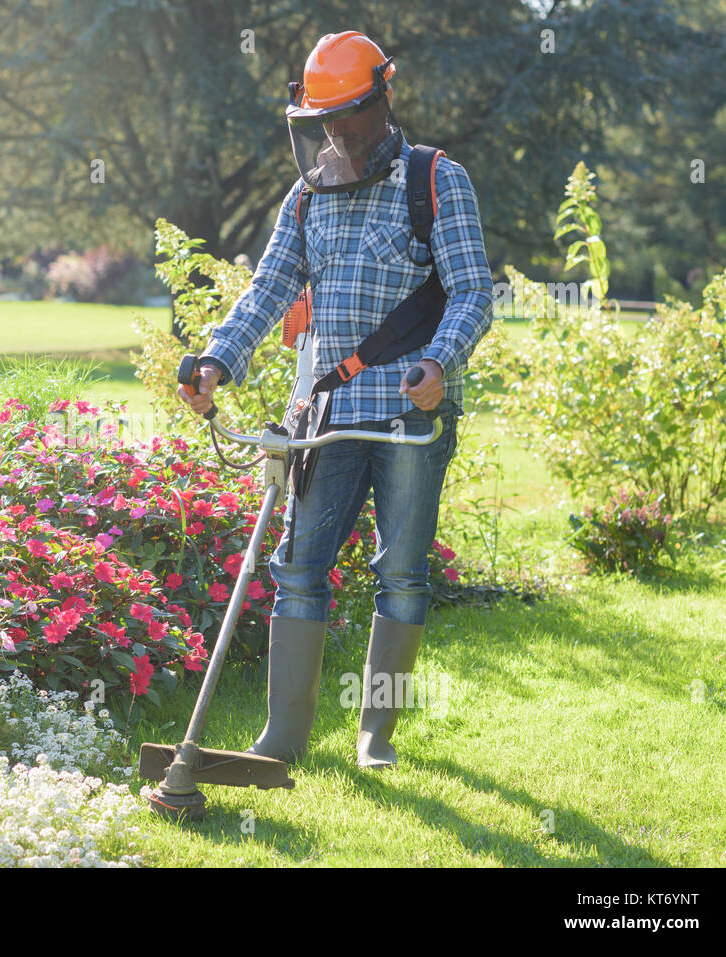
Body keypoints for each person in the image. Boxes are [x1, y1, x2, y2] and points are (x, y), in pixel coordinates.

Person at [182, 31, 493, 769]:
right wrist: (217, 360)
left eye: (349, 115)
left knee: (401, 572)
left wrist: (439, 364)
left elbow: (475, 291)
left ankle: (375, 733)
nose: (337, 133)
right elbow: (267, 292)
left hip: (411, 412)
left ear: (383, 100)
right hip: (332, 413)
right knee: (298, 564)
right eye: (324, 120)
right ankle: (281, 741)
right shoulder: (306, 197)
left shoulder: (437, 181)